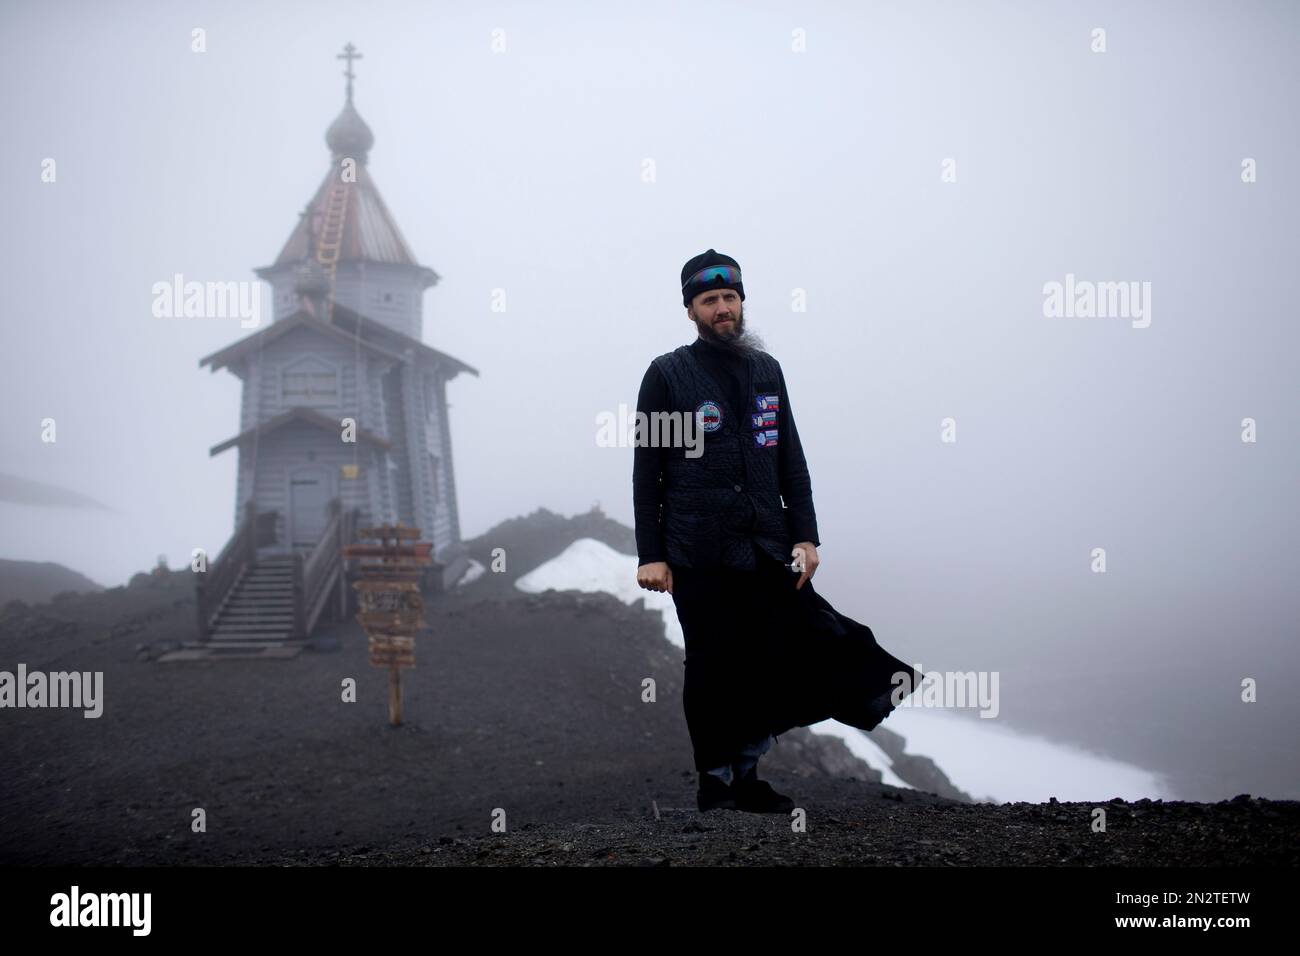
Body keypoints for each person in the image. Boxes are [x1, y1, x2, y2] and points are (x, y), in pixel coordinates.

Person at [633, 249, 923, 813]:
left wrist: (806, 536)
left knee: (791, 647)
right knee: (714, 664)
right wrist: (652, 554)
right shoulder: (667, 375)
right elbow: (649, 469)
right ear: (690, 309)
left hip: (768, 544)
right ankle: (717, 783)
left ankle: (745, 771)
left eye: (730, 298)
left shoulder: (767, 371)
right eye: (709, 300)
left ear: (742, 302)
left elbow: (790, 456)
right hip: (698, 550)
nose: (722, 308)